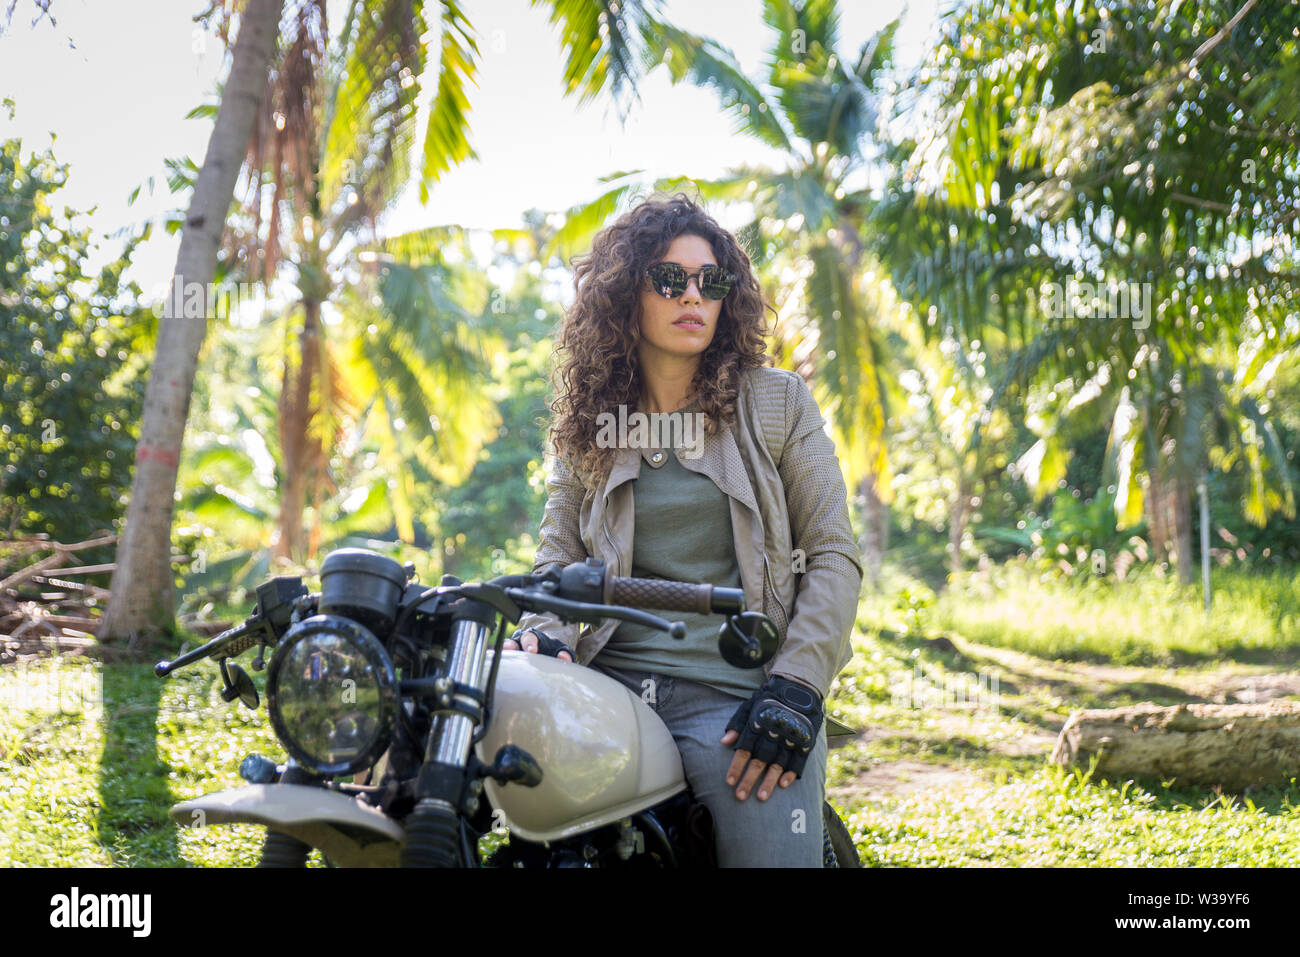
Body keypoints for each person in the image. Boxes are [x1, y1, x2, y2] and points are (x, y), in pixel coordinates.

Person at [507, 192, 863, 867]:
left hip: (736, 701)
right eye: (670, 279)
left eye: (711, 281)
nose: (692, 295)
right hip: (608, 684)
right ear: (624, 295)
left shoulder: (778, 402)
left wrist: (797, 684)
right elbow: (557, 559)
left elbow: (835, 554)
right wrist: (542, 633)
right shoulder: (591, 422)